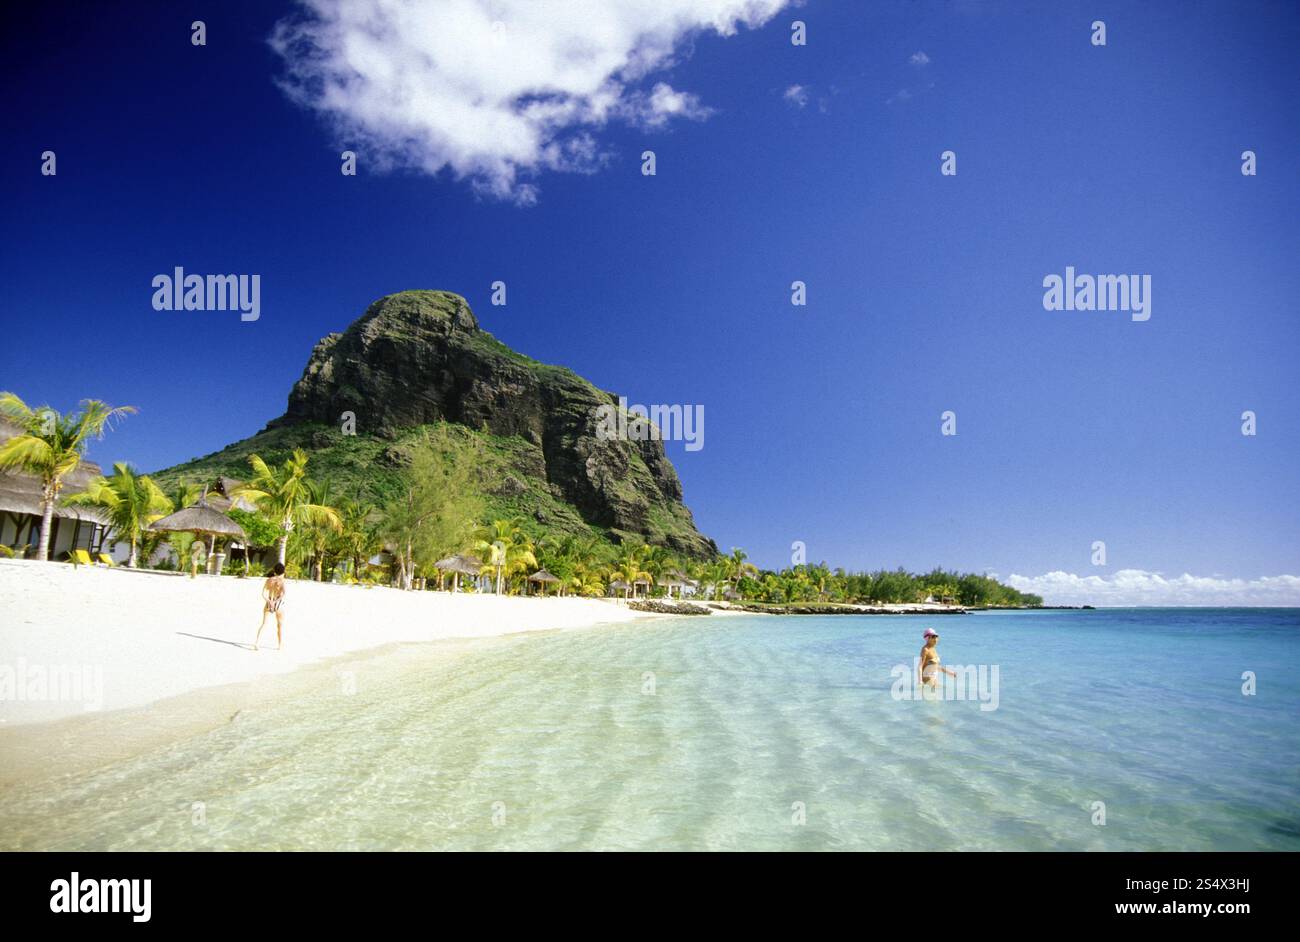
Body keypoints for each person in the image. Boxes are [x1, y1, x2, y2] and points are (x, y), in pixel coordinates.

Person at [254, 563, 287, 651]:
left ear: (275, 571)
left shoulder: (269, 580)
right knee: (280, 625)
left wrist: (269, 601)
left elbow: (263, 593)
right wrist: (275, 602)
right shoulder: (282, 581)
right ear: (283, 571)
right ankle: (280, 646)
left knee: (264, 624)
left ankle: (257, 643)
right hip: (278, 604)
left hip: (268, 602)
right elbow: (283, 594)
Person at [918, 627, 956, 693]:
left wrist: (950, 673)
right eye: (933, 637)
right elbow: (920, 666)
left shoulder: (933, 649)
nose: (936, 639)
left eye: (936, 636)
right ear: (928, 638)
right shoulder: (925, 650)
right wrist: (920, 681)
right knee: (934, 702)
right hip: (928, 679)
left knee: (948, 691)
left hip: (934, 679)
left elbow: (936, 666)